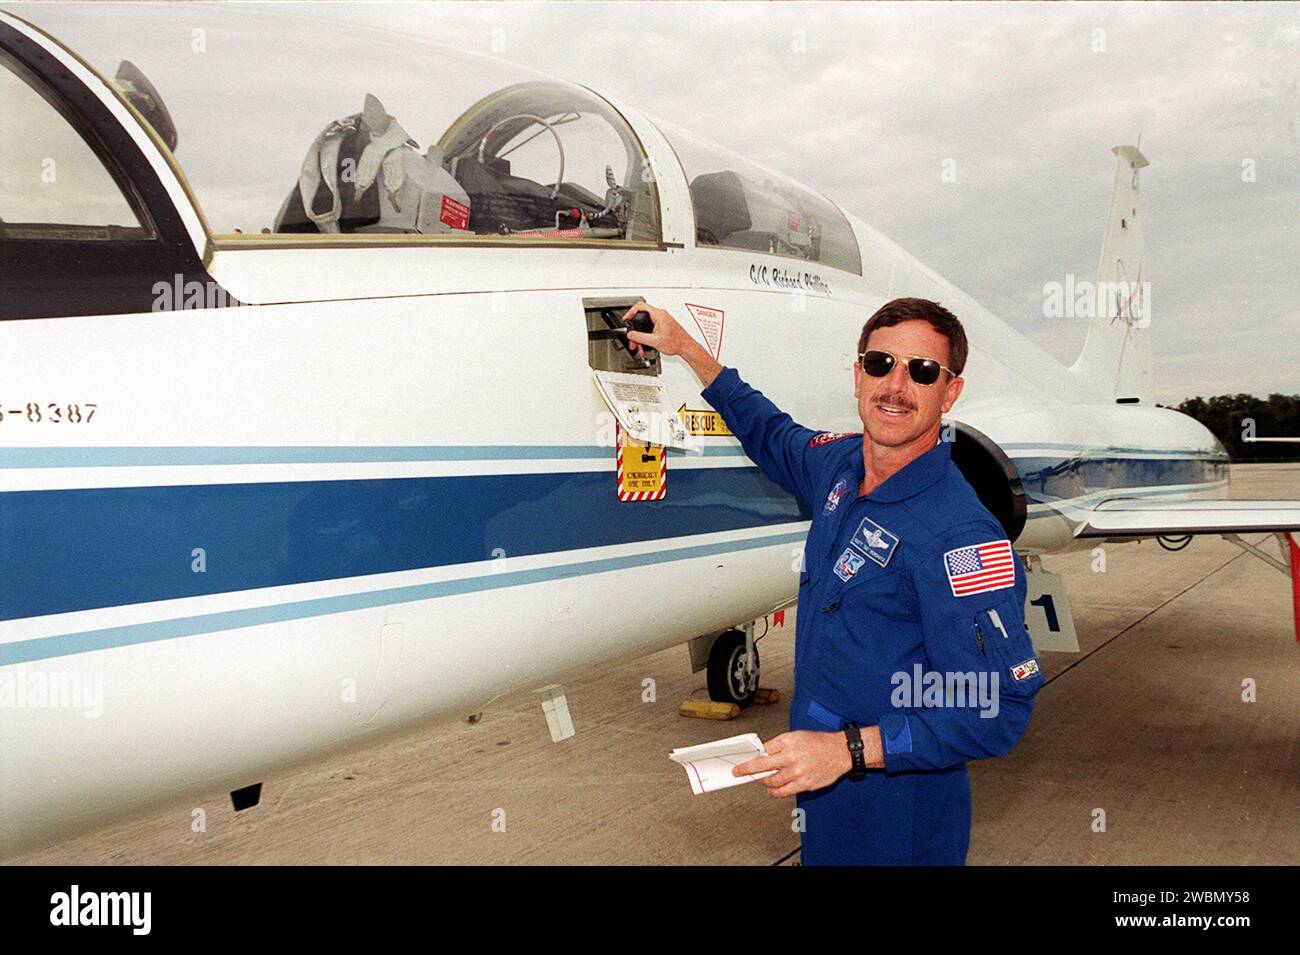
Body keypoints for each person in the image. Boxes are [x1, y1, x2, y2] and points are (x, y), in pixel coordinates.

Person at [624, 296, 1043, 865]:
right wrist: (686, 349)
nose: (895, 386)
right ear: (857, 374)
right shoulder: (840, 466)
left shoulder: (960, 535)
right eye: (880, 364)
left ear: (950, 393)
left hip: (901, 819)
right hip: (823, 802)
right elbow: (769, 431)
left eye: (922, 372)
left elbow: (997, 708)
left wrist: (848, 751)